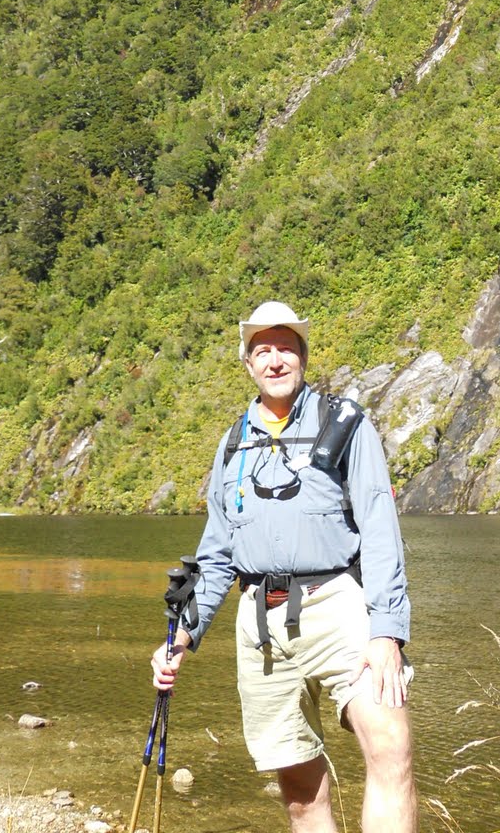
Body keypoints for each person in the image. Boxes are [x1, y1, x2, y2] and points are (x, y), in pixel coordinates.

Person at [150, 301, 417, 833]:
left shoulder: (345, 425)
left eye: (286, 347)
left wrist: (387, 630)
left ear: (303, 357)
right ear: (248, 363)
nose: (275, 360)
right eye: (262, 350)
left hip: (340, 606)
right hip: (260, 625)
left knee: (390, 744)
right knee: (299, 789)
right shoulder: (232, 445)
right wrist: (182, 635)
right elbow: (216, 555)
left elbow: (380, 528)